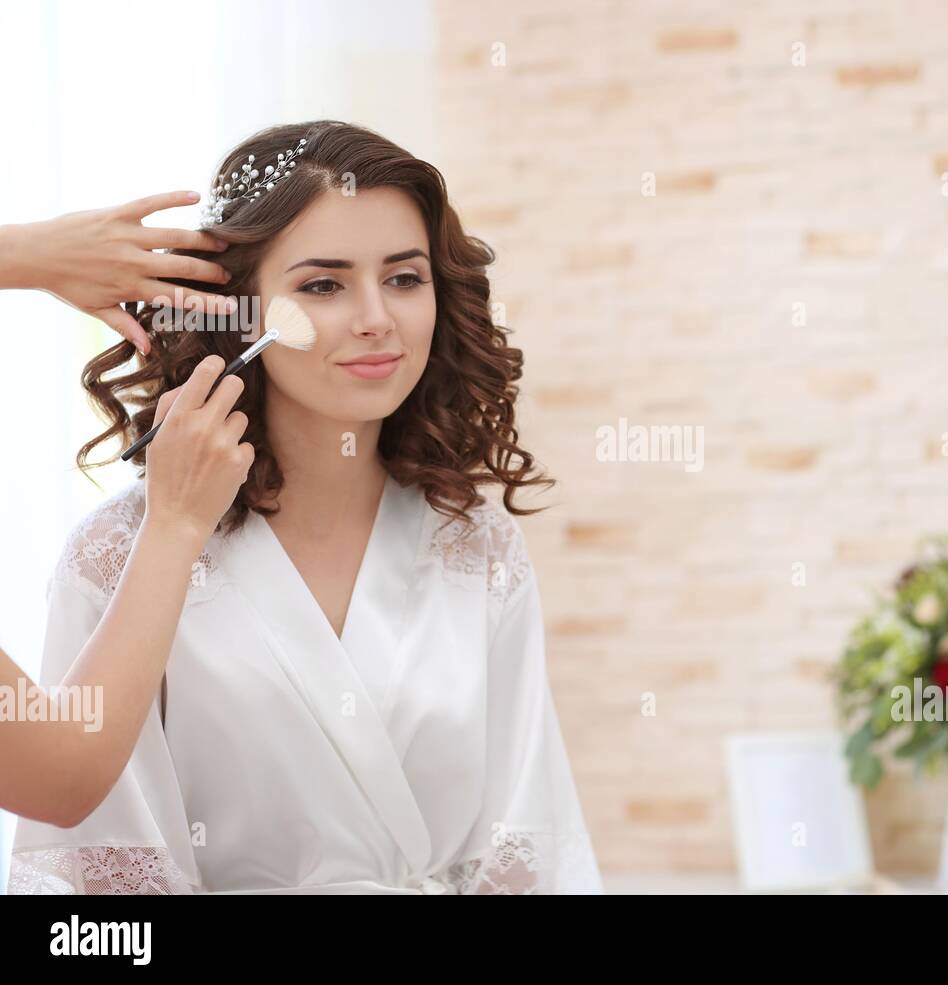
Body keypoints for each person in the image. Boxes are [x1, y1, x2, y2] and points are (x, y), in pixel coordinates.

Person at [8, 120, 603, 895]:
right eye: (322, 284)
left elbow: (535, 846)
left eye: (404, 277)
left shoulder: (474, 544)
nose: (374, 318)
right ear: (237, 310)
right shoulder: (119, 553)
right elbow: (95, 849)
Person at [0, 195, 245, 826]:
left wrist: (23, 253)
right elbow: (59, 776)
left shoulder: (471, 538)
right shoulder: (106, 549)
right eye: (323, 284)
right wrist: (176, 524)